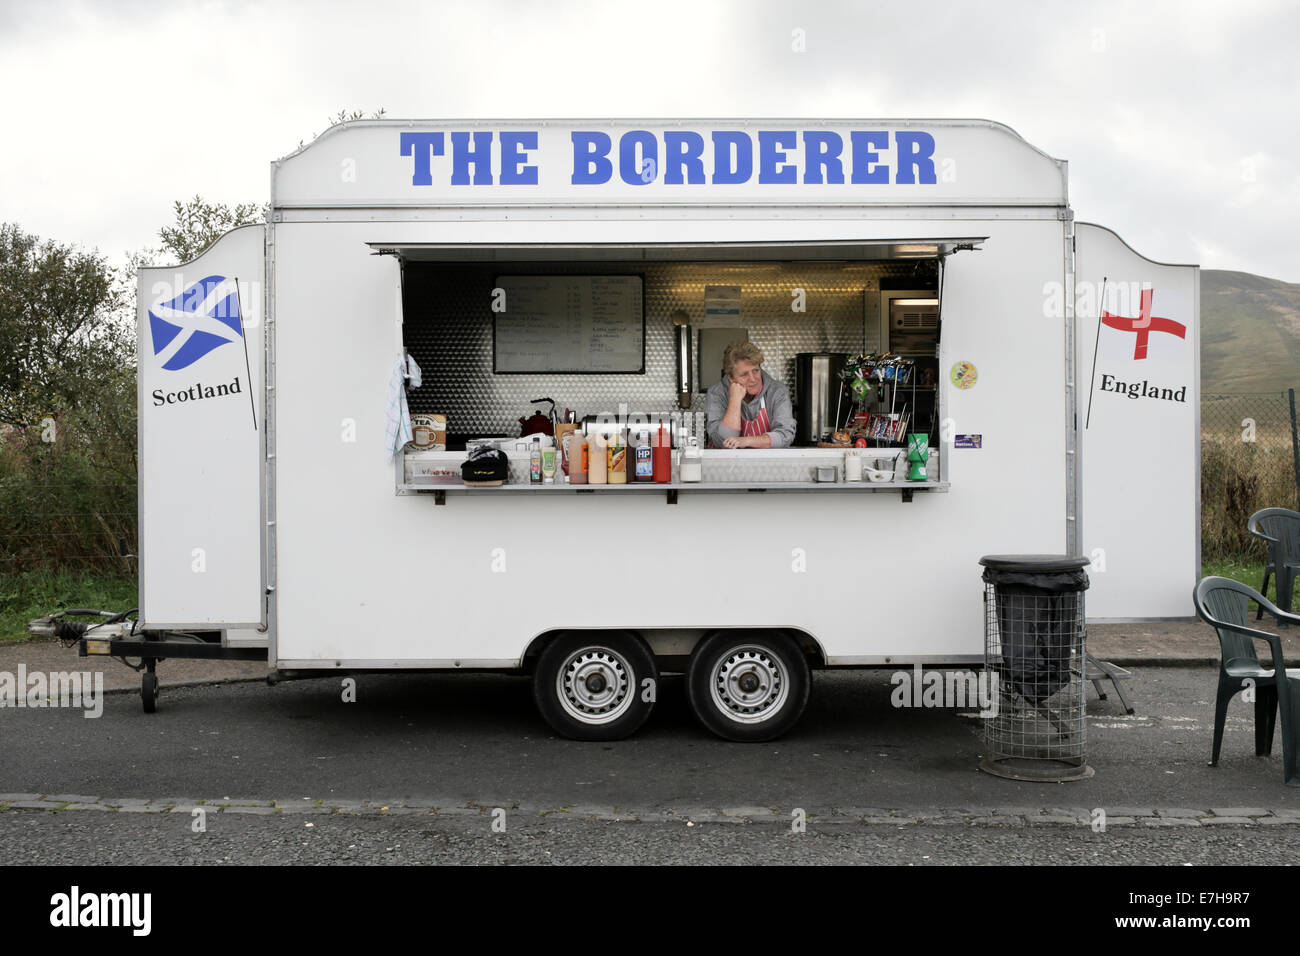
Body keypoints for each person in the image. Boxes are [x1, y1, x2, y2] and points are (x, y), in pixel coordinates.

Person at [705, 341, 796, 448]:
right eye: (744, 374)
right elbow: (722, 442)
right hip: (726, 463)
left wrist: (746, 441)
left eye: (756, 371)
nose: (753, 379)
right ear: (731, 377)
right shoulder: (716, 394)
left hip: (766, 462)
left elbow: (785, 436)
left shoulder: (777, 391)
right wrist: (734, 400)